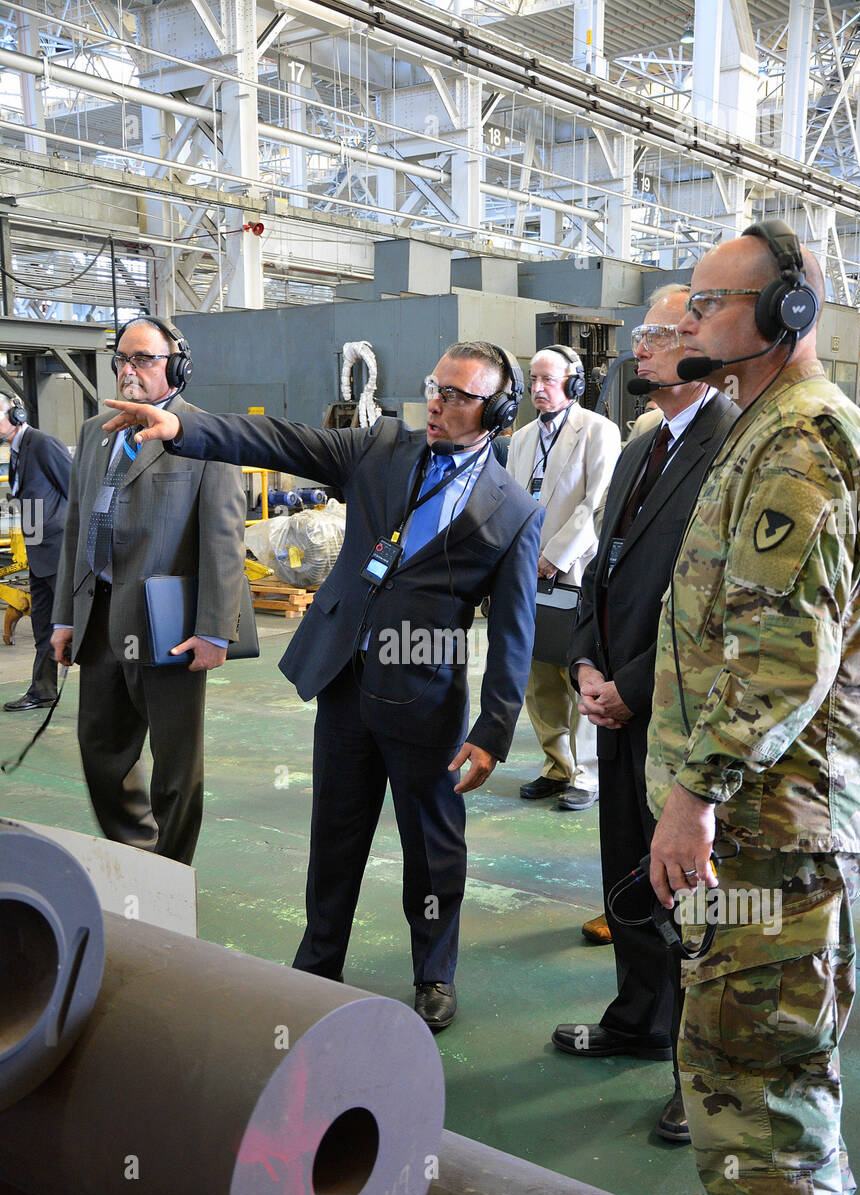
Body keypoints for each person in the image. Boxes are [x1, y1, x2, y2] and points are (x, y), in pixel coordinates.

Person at [101, 341, 541, 1031]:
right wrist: (185, 427)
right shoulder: (383, 448)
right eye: (436, 386)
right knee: (335, 834)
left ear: (497, 412)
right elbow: (281, 440)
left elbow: (515, 632)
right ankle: (319, 963)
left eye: (459, 396)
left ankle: (434, 971)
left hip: (425, 699)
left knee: (433, 847)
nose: (438, 402)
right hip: (344, 679)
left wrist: (492, 731)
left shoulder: (512, 508)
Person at [645, 221, 860, 1195]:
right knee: (749, 1048)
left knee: (754, 1062)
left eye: (709, 304)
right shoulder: (761, 422)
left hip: (771, 832)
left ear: (785, 314)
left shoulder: (799, 441)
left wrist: (693, 796)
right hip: (759, 821)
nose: (687, 321)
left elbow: (778, 656)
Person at [552, 287, 740, 1147]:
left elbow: (703, 600)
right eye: (641, 336)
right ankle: (638, 1018)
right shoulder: (639, 446)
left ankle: (692, 1074)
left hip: (677, 710)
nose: (641, 349)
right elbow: (601, 569)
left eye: (658, 336)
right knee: (628, 872)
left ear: (701, 342)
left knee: (691, 900)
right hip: (617, 695)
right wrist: (587, 663)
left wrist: (630, 683)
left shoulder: (731, 440)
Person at [51, 317, 246, 865]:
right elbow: (74, 530)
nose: (129, 369)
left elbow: (225, 539)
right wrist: (65, 617)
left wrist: (214, 629)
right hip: (101, 614)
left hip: (169, 625)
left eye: (144, 359)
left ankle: (172, 872)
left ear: (176, 367)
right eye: (122, 358)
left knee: (175, 766)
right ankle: (137, 855)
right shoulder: (95, 432)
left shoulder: (204, 434)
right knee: (102, 753)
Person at [506, 347, 620, 810]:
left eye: (548, 380)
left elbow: (597, 506)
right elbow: (510, 500)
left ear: (574, 383)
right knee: (537, 677)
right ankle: (556, 765)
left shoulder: (598, 432)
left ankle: (586, 776)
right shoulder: (521, 438)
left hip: (570, 573)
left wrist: (552, 557)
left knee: (577, 671)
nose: (538, 388)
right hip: (525, 574)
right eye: (533, 379)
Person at [0, 394, 70, 711]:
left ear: (16, 414)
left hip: (59, 554)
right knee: (43, 625)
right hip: (38, 554)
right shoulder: (17, 451)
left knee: (81, 624)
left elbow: (77, 490)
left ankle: (117, 693)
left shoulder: (41, 443)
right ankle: (42, 690)